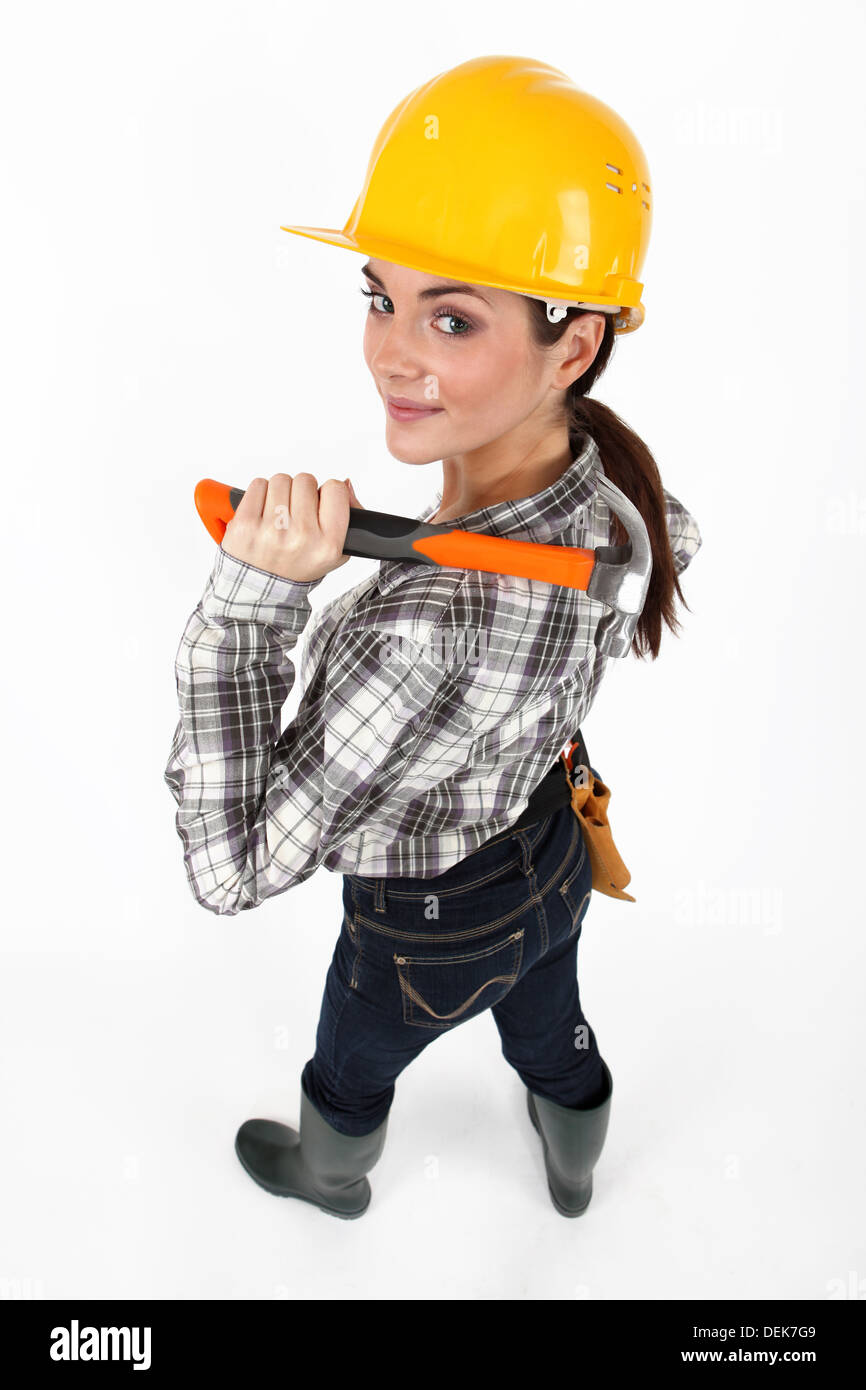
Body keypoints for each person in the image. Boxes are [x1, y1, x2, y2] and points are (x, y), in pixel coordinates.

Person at [163, 56, 702, 1220]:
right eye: (379, 296)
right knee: (553, 1036)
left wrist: (252, 601)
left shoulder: (416, 635)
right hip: (550, 856)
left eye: (450, 317)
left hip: (416, 933)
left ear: (576, 347)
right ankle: (571, 1169)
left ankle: (328, 1175)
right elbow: (680, 543)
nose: (390, 353)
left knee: (349, 1070)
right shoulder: (614, 497)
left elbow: (231, 871)